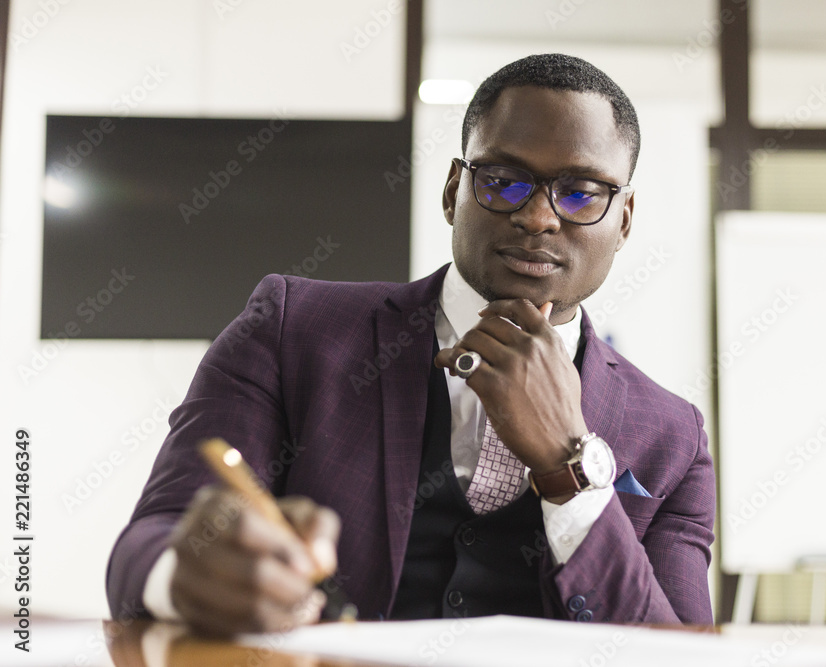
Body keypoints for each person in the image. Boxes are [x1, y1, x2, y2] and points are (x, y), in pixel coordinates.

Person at [106, 53, 716, 636]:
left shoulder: (672, 435)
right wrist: (185, 577)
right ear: (454, 190)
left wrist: (568, 465)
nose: (538, 218)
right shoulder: (292, 329)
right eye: (503, 181)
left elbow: (680, 651)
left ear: (626, 218)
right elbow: (151, 539)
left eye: (582, 192)